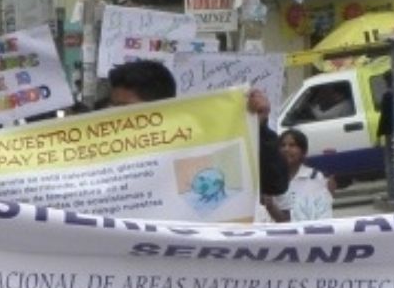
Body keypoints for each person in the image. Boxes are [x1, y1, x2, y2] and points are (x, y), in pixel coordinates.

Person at [106, 59, 290, 199]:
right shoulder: (101, 150)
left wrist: (258, 130)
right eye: (111, 107)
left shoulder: (196, 145)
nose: (113, 115)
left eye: (124, 108)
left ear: (159, 108)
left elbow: (274, 184)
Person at [273, 128, 333, 222]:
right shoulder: (272, 179)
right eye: (283, 145)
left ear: (303, 151)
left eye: (292, 145)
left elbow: (323, 213)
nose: (286, 149)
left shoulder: (314, 177)